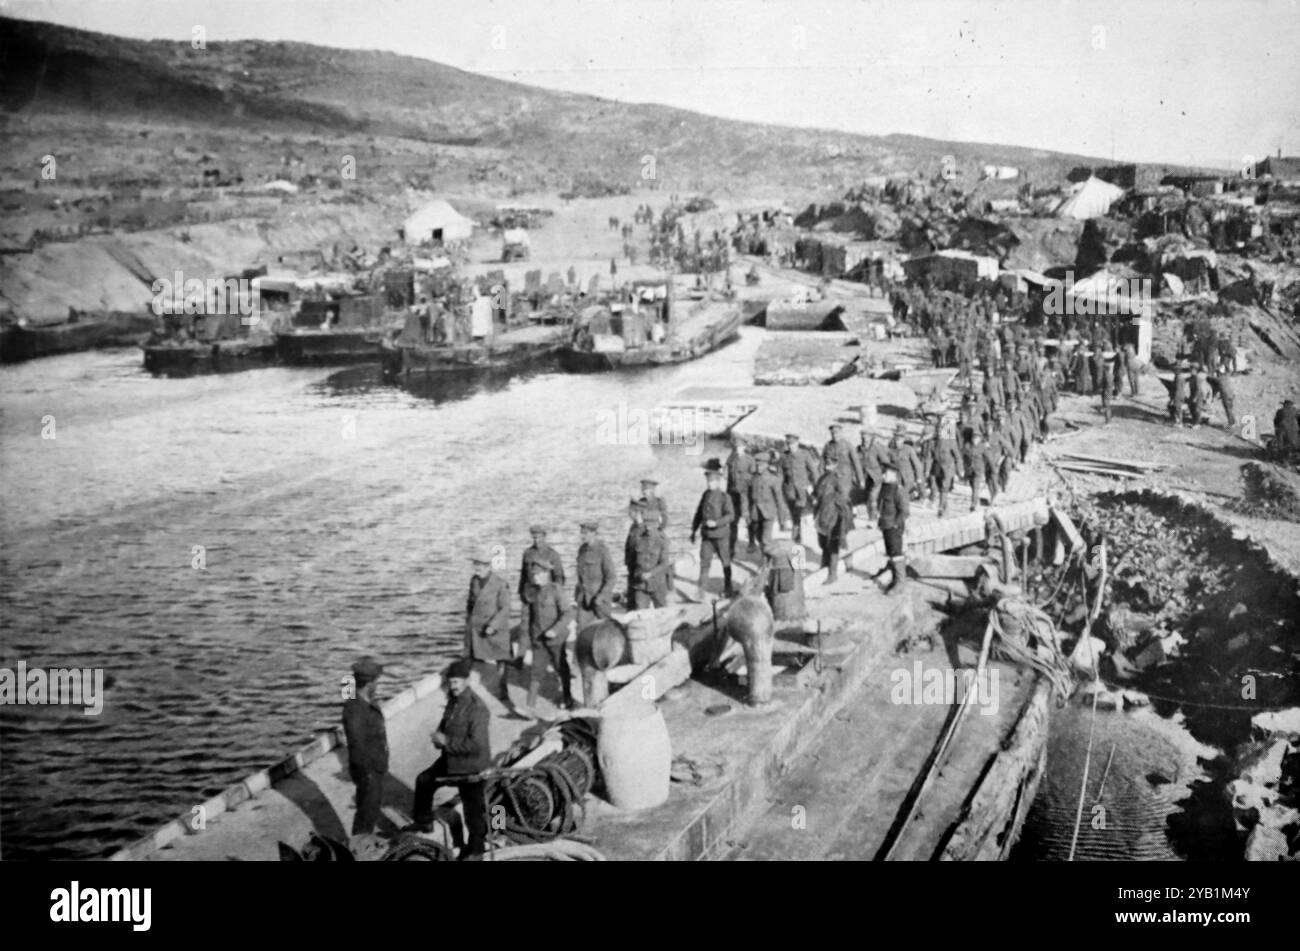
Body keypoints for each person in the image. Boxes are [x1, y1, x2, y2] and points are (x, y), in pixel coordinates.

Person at [410, 658, 492, 859]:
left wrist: (446, 742)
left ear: (467, 681)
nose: (453, 686)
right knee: (424, 780)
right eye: (451, 682)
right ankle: (424, 821)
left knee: (474, 811)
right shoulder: (454, 700)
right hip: (450, 760)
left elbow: (476, 746)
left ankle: (477, 851)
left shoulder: (477, 708)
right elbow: (445, 722)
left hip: (471, 767)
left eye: (456, 682)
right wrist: (438, 736)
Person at [341, 656, 388, 836]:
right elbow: (357, 747)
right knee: (367, 813)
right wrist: (369, 774)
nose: (377, 685)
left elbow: (347, 688)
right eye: (376, 682)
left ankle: (362, 844)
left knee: (369, 810)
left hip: (375, 767)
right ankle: (359, 849)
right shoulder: (355, 711)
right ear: (369, 685)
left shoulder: (363, 702)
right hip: (369, 770)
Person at [521, 563, 575, 714]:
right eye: (534, 574)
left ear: (546, 574)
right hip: (539, 639)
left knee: (561, 667)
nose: (535, 577)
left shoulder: (556, 590)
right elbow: (530, 616)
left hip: (556, 639)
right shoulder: (532, 592)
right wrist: (530, 636)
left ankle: (567, 697)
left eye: (538, 574)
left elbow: (567, 613)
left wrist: (555, 630)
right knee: (536, 671)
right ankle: (529, 707)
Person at [466, 550, 513, 708]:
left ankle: (502, 689)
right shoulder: (474, 581)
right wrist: (468, 623)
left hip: (495, 628)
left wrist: (493, 625)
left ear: (487, 566)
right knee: (471, 658)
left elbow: (505, 608)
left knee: (501, 658)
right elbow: (470, 603)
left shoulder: (500, 583)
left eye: (479, 565)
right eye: (475, 564)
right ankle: (468, 691)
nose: (476, 568)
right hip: (477, 628)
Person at [691, 463, 736, 598]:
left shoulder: (724, 497)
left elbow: (731, 516)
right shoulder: (705, 495)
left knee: (725, 562)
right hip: (707, 537)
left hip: (721, 536)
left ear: (718, 482)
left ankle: (728, 588)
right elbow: (699, 513)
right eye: (708, 481)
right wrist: (693, 530)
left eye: (712, 481)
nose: (709, 484)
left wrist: (716, 523)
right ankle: (700, 592)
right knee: (704, 563)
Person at [625, 499, 670, 608]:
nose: (648, 527)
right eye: (646, 523)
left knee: (662, 612)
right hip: (640, 583)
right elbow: (631, 556)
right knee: (639, 612)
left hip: (657, 583)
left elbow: (664, 563)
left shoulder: (661, 539)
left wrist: (651, 573)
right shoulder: (638, 535)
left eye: (651, 524)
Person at [812, 467, 852, 584]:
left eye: (830, 463)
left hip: (834, 514)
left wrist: (833, 502)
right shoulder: (823, 477)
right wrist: (815, 497)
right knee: (823, 541)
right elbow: (816, 492)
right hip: (822, 513)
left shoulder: (838, 478)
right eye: (826, 462)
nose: (827, 465)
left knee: (833, 542)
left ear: (835, 464)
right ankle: (824, 566)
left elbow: (844, 496)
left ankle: (832, 574)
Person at [573, 520, 616, 628]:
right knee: (582, 631)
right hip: (584, 599)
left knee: (607, 630)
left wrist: (602, 596)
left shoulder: (602, 551)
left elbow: (611, 577)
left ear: (593, 533)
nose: (582, 536)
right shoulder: (582, 550)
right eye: (581, 533)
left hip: (599, 600)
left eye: (585, 533)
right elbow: (580, 576)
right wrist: (577, 593)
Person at [779, 433, 820, 544]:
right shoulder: (784, 456)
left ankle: (797, 533)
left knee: (799, 512)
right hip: (789, 490)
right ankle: (797, 534)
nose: (790, 446)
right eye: (788, 444)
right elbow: (780, 475)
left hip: (802, 489)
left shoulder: (804, 454)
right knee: (794, 513)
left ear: (797, 443)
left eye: (792, 444)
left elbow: (814, 471)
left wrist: (818, 487)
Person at [519, 526, 565, 616]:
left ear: (544, 537)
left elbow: (559, 577)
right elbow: (523, 575)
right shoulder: (528, 553)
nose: (537, 540)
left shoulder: (552, 554)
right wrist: (521, 593)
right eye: (534, 537)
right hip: (529, 595)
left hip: (546, 596)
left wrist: (556, 596)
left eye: (539, 537)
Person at [877, 463, 909, 594]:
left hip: (894, 526)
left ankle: (900, 584)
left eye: (886, 473)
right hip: (886, 525)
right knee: (891, 553)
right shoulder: (885, 488)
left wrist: (895, 524)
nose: (883, 475)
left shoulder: (898, 490)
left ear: (894, 475)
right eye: (883, 473)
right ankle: (895, 580)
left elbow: (905, 511)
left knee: (896, 554)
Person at [749, 451, 791, 550]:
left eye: (761, 465)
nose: (759, 467)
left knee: (765, 539)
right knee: (758, 537)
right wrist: (747, 512)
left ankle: (766, 563)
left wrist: (782, 520)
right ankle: (768, 555)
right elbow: (748, 496)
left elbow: (779, 500)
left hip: (768, 513)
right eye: (757, 465)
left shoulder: (773, 479)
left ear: (767, 465)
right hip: (756, 513)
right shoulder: (754, 479)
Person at [726, 436, 757, 552]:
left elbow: (754, 477)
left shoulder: (750, 460)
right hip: (733, 494)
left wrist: (744, 479)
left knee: (748, 518)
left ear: (744, 447)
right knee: (733, 520)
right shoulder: (731, 459)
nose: (737, 449)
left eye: (739, 447)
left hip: (745, 494)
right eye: (736, 447)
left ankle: (752, 542)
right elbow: (728, 476)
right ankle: (731, 547)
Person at [822, 423, 864, 498]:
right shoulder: (828, 445)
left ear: (841, 433)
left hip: (844, 479)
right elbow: (822, 462)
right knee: (827, 500)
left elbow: (856, 464)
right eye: (832, 433)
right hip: (830, 478)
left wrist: (861, 480)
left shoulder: (848, 445)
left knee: (843, 501)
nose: (835, 435)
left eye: (836, 433)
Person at [1171, 363, 1189, 427]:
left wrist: (1174, 397)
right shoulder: (1180, 377)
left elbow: (1177, 388)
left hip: (1178, 395)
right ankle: (1178, 422)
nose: (1173, 372)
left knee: (1178, 409)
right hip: (1181, 394)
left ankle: (1179, 423)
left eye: (1174, 370)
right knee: (1178, 409)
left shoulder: (1178, 378)